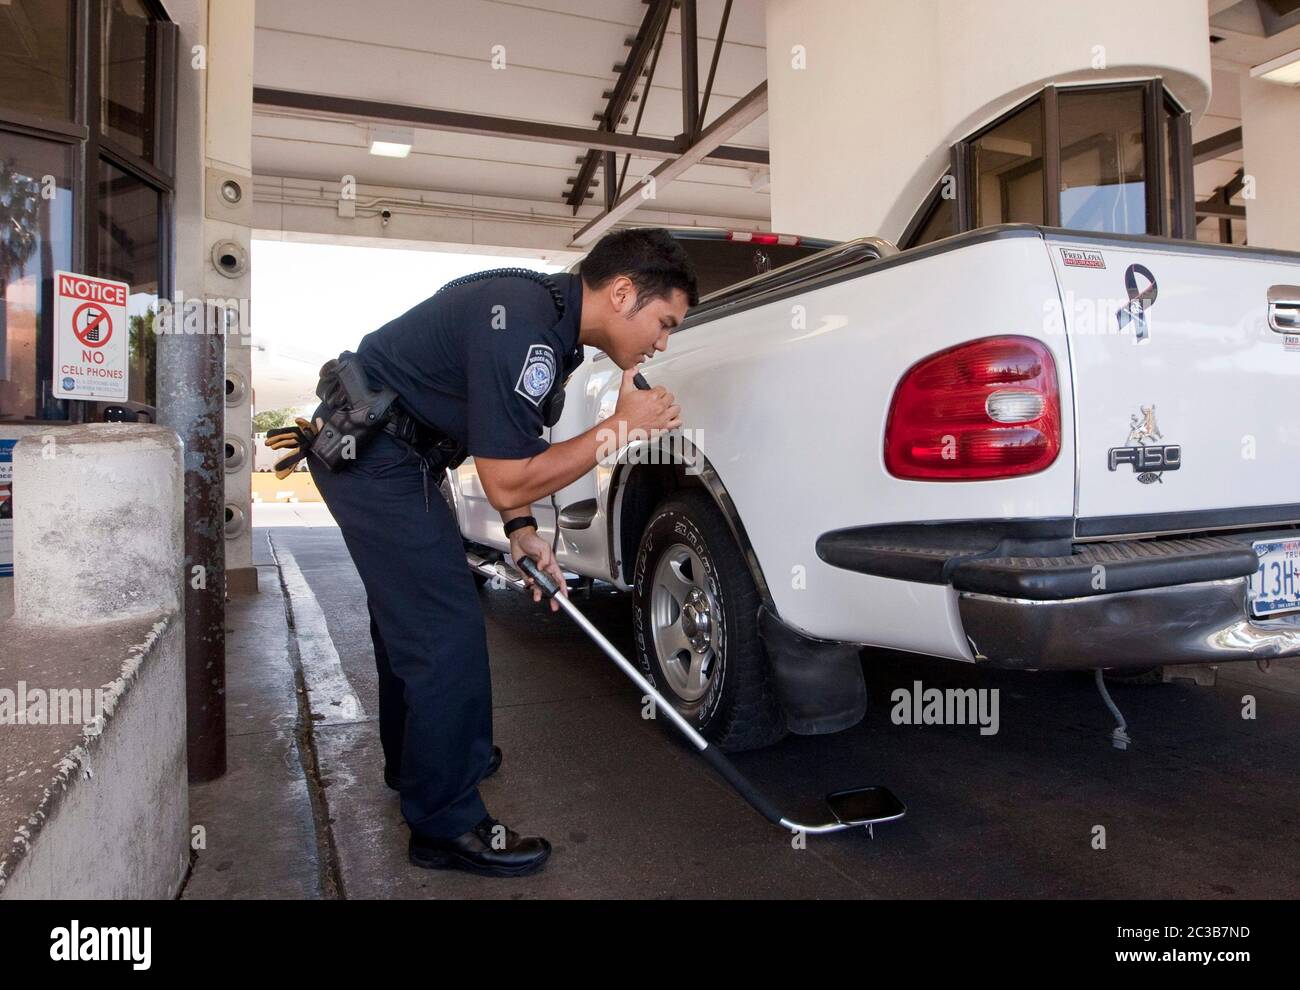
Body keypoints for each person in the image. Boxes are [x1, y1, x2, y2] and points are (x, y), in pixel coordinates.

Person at [279, 228, 696, 877]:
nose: (662, 342)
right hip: (377, 456)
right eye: (664, 322)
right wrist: (621, 429)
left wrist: (522, 529)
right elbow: (507, 474)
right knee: (443, 630)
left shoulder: (550, 327)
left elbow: (506, 448)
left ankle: (421, 760)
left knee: (416, 624)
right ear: (622, 292)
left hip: (400, 456)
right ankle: (444, 822)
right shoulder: (527, 328)